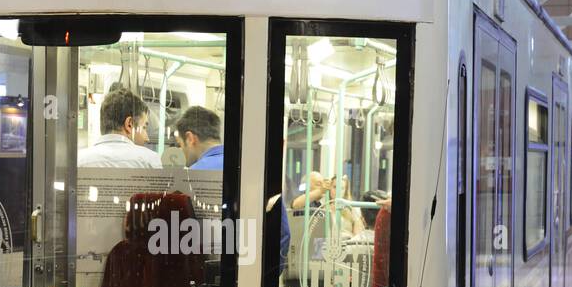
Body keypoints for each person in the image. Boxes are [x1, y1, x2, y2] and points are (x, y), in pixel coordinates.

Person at [176, 106, 291, 267]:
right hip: (250, 275)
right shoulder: (253, 171)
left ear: (190, 138)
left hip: (204, 282)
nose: (182, 152)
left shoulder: (188, 178)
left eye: (180, 145)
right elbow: (282, 234)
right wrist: (263, 279)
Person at [78, 85, 162, 168]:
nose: (147, 138)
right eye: (144, 127)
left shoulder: (79, 160)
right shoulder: (150, 160)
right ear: (129, 124)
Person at [292, 172, 366, 236]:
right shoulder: (321, 208)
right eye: (334, 187)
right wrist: (320, 191)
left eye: (342, 188)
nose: (338, 191)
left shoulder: (352, 210)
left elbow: (357, 236)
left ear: (345, 190)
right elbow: (295, 205)